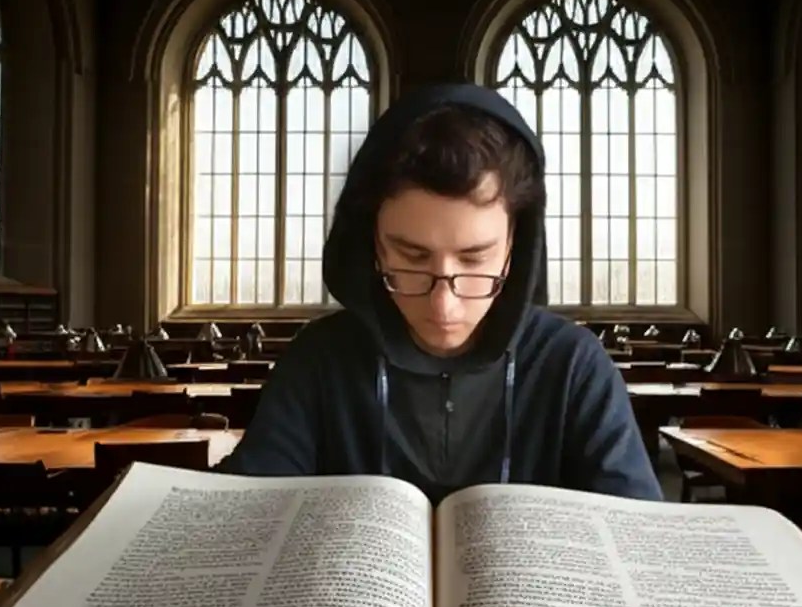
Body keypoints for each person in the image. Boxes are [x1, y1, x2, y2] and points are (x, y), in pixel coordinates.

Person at [218, 84, 661, 504]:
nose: (443, 306)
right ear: (373, 240)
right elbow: (254, 514)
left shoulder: (574, 366)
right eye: (411, 258)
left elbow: (634, 537)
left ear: (515, 247)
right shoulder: (318, 360)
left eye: (474, 260)